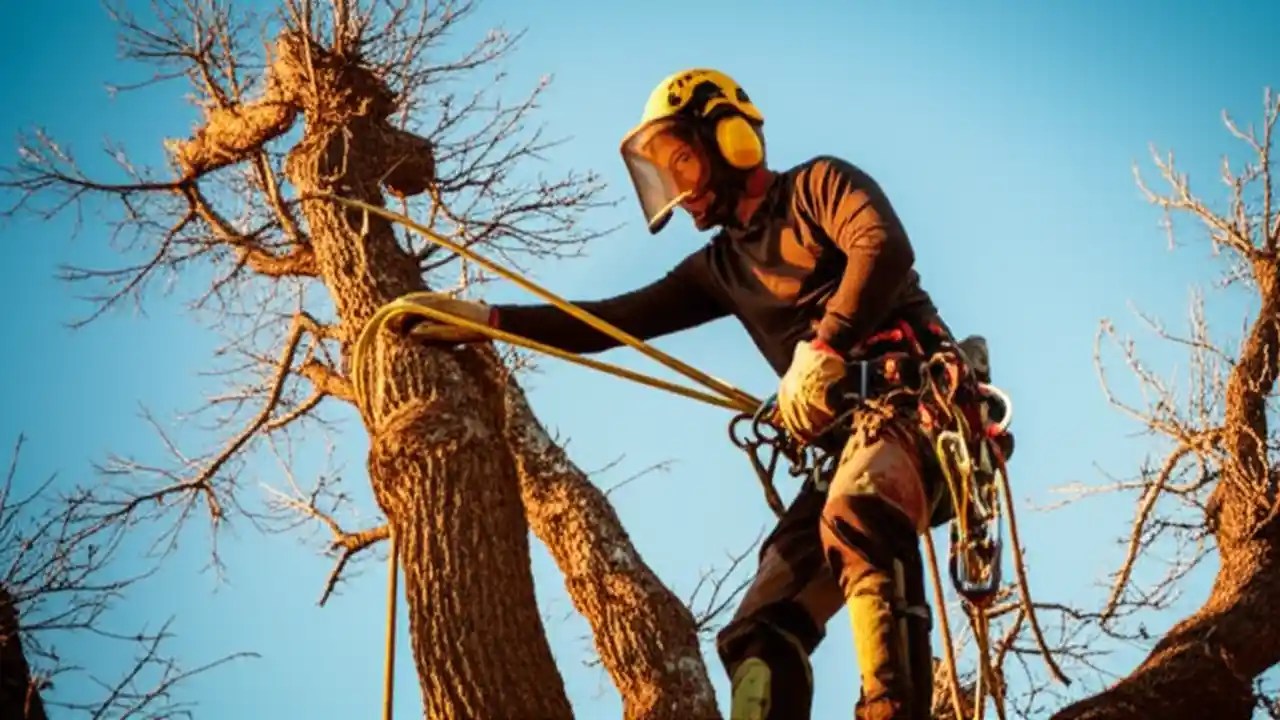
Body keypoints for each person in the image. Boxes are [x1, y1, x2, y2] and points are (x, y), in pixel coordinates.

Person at [400, 67, 981, 720]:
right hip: (849, 449)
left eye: (682, 161)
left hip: (918, 410)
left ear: (729, 137)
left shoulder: (818, 186)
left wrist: (823, 350)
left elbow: (883, 246)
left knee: (859, 511)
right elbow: (608, 321)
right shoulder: (721, 268)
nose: (680, 193)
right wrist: (487, 322)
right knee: (757, 634)